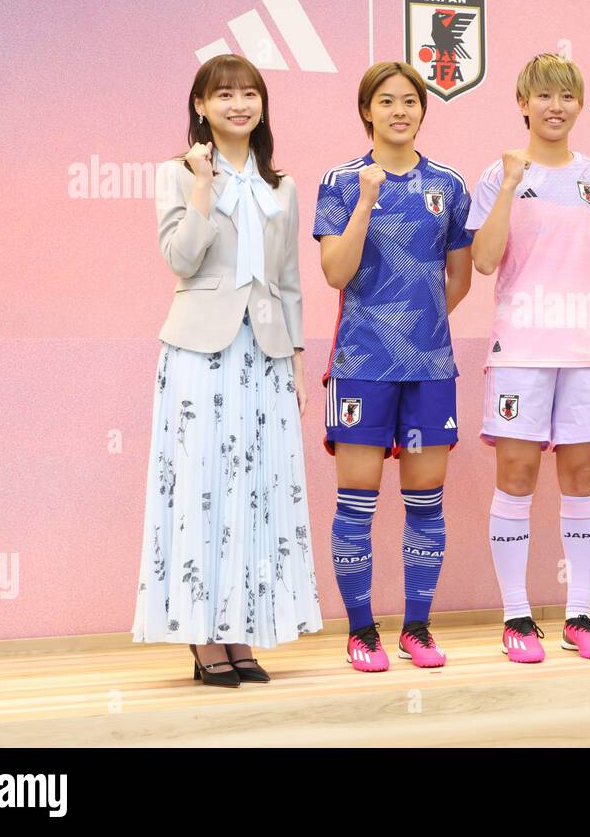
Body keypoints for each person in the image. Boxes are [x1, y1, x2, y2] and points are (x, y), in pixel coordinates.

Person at [133, 54, 322, 687]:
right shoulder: (176, 174)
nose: (238, 105)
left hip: (265, 355)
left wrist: (297, 360)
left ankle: (240, 631)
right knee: (201, 486)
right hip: (198, 353)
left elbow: (289, 281)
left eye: (249, 94)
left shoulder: (282, 186)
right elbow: (181, 259)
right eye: (223, 95)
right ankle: (203, 635)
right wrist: (202, 187)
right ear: (200, 106)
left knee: (255, 491)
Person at [467, 53, 590, 663]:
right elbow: (484, 260)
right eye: (543, 96)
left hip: (587, 350)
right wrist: (512, 185)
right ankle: (516, 617)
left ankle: (578, 616)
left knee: (581, 479)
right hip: (522, 349)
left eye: (566, 96)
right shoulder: (498, 175)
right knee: (516, 478)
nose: (555, 107)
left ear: (579, 105)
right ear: (523, 104)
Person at [313, 61, 473, 672]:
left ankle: (417, 629)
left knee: (425, 504)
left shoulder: (448, 185)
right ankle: (361, 632)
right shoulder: (341, 181)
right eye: (386, 101)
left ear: (422, 110)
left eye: (410, 100)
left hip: (429, 369)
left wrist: (414, 330)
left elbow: (458, 279)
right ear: (367, 111)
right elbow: (336, 273)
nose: (399, 110)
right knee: (356, 505)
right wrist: (366, 202)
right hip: (360, 367)